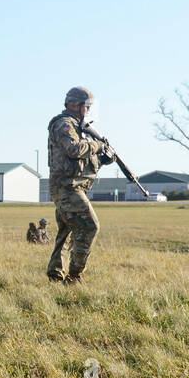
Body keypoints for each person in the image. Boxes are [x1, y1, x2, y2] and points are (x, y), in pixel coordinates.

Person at [46, 86, 112, 284]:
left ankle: (55, 274)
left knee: (67, 231)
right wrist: (98, 145)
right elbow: (74, 149)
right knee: (90, 226)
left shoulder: (80, 127)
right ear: (76, 105)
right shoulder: (65, 124)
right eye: (87, 106)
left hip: (75, 185)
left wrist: (102, 158)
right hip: (66, 187)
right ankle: (74, 276)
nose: (89, 110)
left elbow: (82, 162)